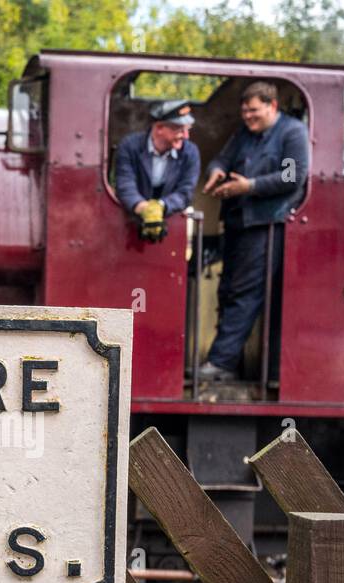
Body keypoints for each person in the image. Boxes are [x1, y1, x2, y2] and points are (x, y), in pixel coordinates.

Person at [199, 81, 310, 384]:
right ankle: (227, 362)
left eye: (254, 111)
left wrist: (248, 186)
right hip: (237, 223)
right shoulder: (244, 133)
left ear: (272, 106)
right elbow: (223, 157)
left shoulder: (292, 133)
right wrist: (216, 172)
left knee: (244, 294)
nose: (248, 117)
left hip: (267, 226)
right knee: (229, 291)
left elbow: (292, 177)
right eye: (245, 111)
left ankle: (220, 363)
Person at [113, 100, 201, 242]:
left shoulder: (190, 152)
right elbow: (125, 184)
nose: (186, 136)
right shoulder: (129, 146)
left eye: (187, 129)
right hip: (128, 225)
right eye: (179, 130)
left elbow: (186, 192)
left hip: (170, 226)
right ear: (159, 127)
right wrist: (142, 207)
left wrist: (161, 206)